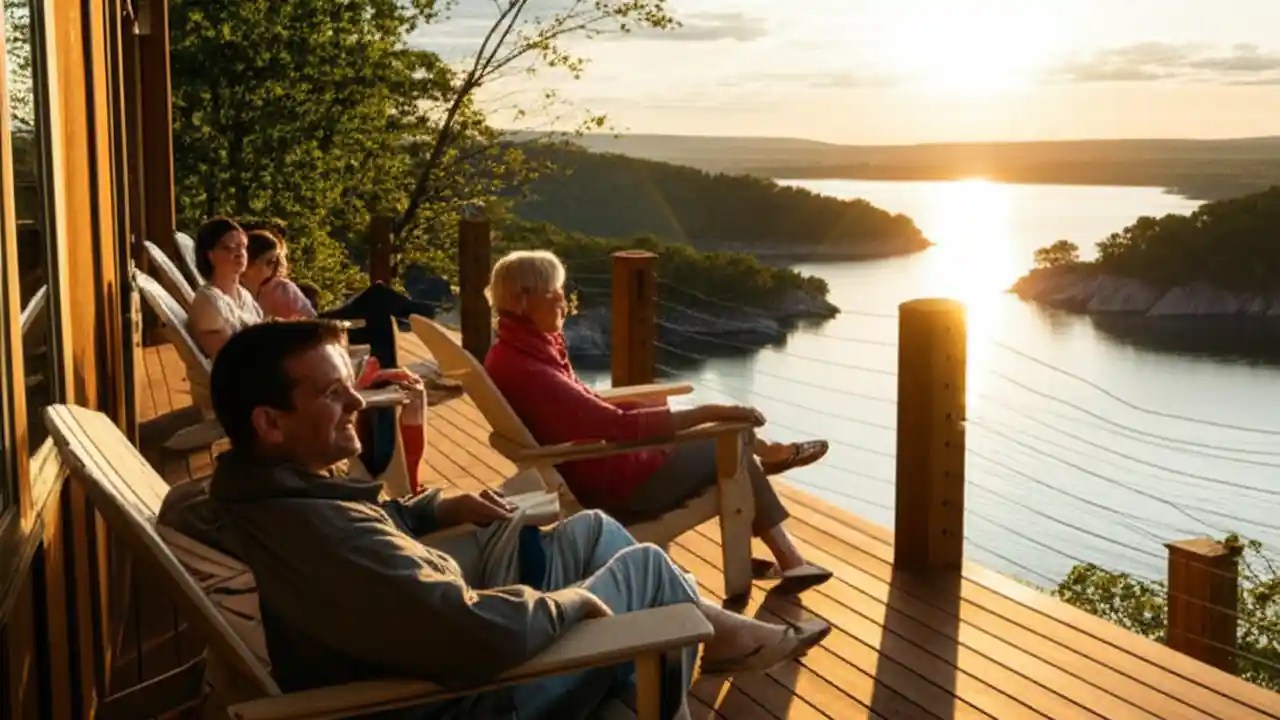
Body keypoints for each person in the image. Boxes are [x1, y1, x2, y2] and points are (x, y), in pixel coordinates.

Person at [157, 320, 830, 720]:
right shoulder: (322, 539)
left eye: (353, 387)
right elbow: (474, 635)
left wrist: (432, 506)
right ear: (269, 423)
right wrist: (570, 603)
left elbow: (364, 529)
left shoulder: (251, 493)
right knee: (647, 579)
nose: (358, 405)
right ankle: (702, 643)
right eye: (334, 395)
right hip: (460, 699)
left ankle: (717, 635)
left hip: (424, 642)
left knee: (591, 530)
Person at [484, 251, 834, 589]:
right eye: (555, 292)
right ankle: (785, 547)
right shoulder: (531, 369)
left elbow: (584, 408)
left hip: (594, 464)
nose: (565, 300)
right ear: (523, 299)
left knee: (723, 436)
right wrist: (713, 410)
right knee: (732, 442)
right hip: (618, 484)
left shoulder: (518, 351)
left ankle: (781, 536)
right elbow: (616, 427)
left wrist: (650, 405)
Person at [187, 216, 263, 358]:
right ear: (210, 255)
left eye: (243, 246)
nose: (239, 253)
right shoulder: (208, 301)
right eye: (227, 248)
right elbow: (230, 358)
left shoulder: (244, 295)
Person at [241, 229, 317, 320]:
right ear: (249, 261)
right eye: (269, 262)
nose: (274, 267)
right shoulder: (232, 287)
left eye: (276, 261)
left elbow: (312, 321)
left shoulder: (283, 289)